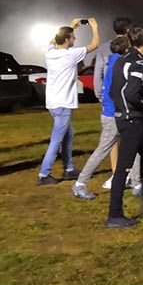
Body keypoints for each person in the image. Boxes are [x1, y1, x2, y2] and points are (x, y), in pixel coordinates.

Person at [105, 25, 143, 227]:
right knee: (124, 167)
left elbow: (113, 90)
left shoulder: (120, 60)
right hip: (132, 119)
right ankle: (115, 215)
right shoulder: (137, 62)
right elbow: (132, 93)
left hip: (125, 116)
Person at [38, 18, 99, 185]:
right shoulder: (71, 54)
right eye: (72, 37)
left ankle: (69, 169)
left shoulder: (50, 52)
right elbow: (95, 45)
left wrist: (71, 27)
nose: (75, 39)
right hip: (64, 103)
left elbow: (52, 42)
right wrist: (94, 27)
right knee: (56, 139)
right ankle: (44, 174)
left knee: (68, 134)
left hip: (53, 103)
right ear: (66, 40)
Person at [72, 35, 131, 200]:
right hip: (114, 114)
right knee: (103, 150)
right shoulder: (120, 65)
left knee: (135, 146)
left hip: (114, 112)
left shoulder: (112, 62)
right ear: (126, 49)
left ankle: (136, 182)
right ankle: (80, 184)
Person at [93, 16, 132, 101]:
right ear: (128, 29)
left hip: (108, 94)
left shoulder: (104, 47)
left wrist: (99, 94)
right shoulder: (132, 48)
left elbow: (98, 72)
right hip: (127, 95)